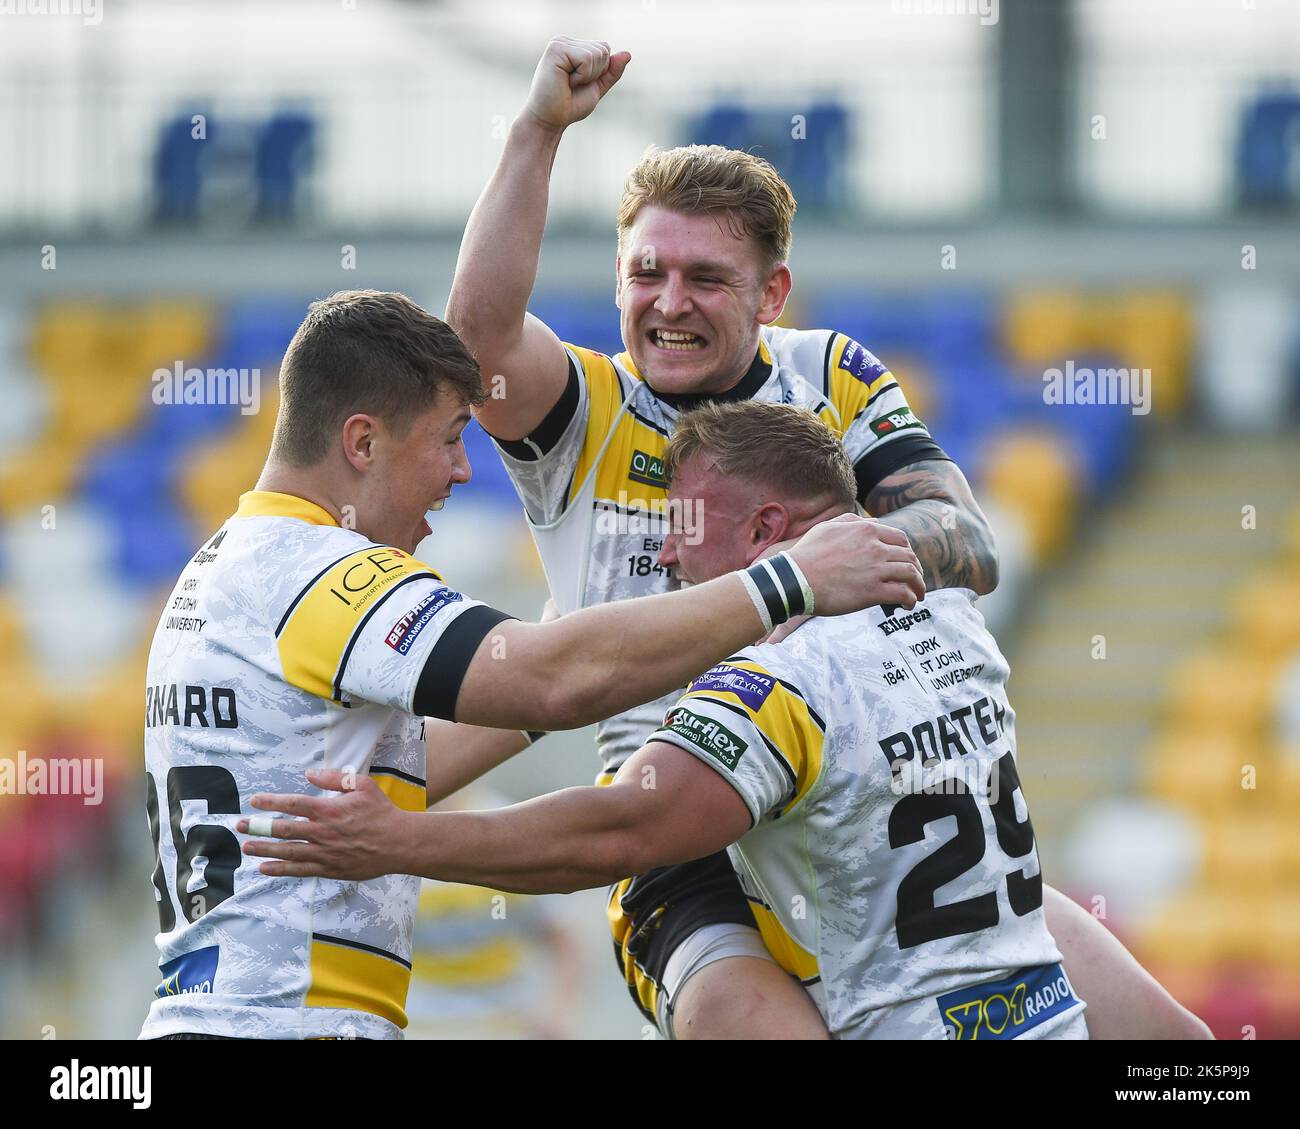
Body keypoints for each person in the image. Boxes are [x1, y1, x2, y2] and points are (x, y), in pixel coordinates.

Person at [440, 37, 1207, 1039]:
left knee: (1174, 1050)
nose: (668, 302)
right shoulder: (585, 410)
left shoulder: (830, 373)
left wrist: (835, 572)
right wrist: (539, 130)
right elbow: (476, 347)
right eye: (646, 272)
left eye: (705, 278)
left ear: (770, 296)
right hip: (684, 829)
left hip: (857, 796)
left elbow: (965, 543)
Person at [240, 402, 1184, 1038]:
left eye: (684, 530)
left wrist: (396, 841)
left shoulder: (781, 681)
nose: (669, 560)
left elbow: (617, 829)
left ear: (769, 531)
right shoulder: (951, 615)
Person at [139, 289, 925, 1040]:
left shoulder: (223, 568)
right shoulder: (323, 570)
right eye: (449, 437)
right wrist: (789, 579)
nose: (462, 470)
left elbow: (400, 768)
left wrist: (579, 623)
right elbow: (552, 678)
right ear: (363, 442)